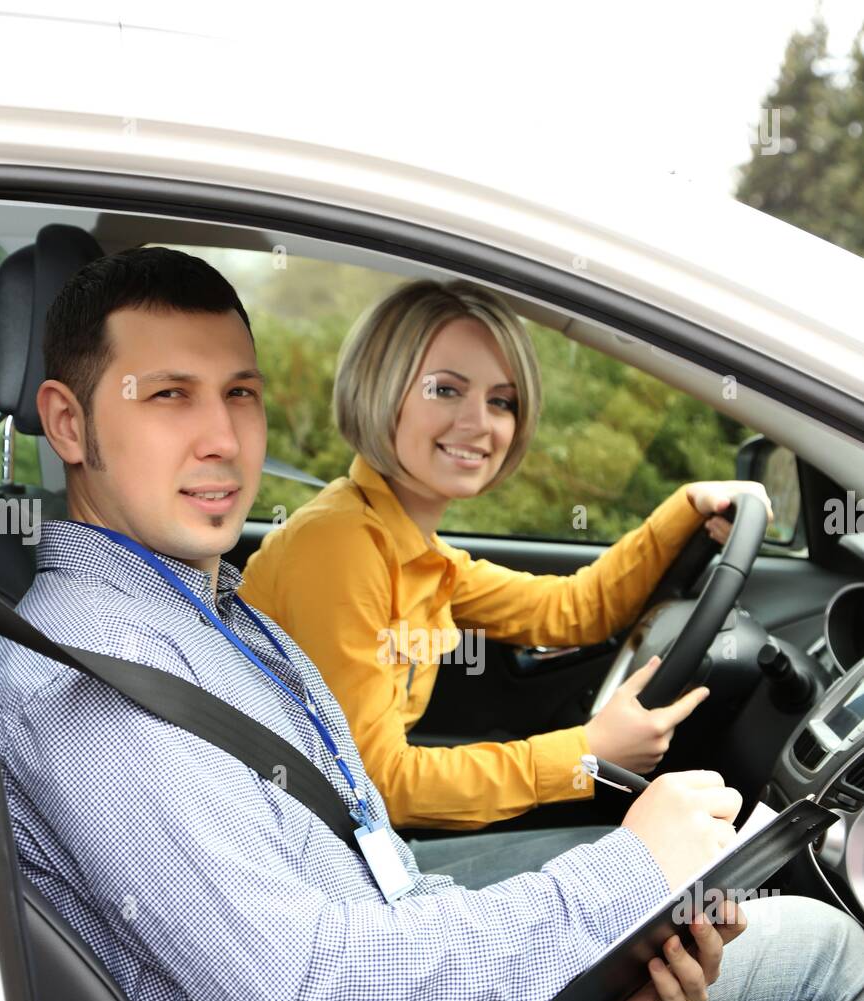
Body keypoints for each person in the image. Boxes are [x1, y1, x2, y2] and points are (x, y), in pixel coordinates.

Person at [0, 247, 862, 1001]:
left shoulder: (218, 618)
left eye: (241, 395)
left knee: (822, 949)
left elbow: (381, 879)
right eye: (168, 396)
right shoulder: (87, 682)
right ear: (71, 422)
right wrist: (615, 872)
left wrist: (594, 956)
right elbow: (308, 992)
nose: (221, 438)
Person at [238, 278, 774, 886]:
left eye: (502, 401)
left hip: (354, 852)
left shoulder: (418, 553)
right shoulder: (339, 545)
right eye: (446, 389)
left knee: (655, 865)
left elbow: (576, 610)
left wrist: (686, 507)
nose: (479, 423)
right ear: (379, 388)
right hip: (315, 873)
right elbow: (379, 782)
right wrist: (585, 754)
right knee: (664, 871)